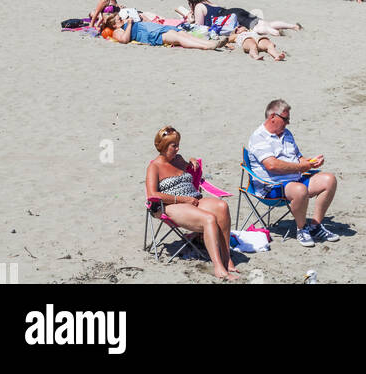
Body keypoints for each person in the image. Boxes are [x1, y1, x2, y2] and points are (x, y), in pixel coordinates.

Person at [145, 126, 238, 280]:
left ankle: (226, 258)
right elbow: (152, 194)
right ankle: (218, 268)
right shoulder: (154, 167)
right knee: (209, 219)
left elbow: (190, 169)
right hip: (171, 206)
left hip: (194, 198)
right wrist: (183, 200)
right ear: (163, 146)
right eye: (174, 145)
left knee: (222, 207)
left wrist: (192, 161)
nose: (177, 148)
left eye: (177, 144)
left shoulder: (178, 159)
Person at [247, 100, 339, 246]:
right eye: (285, 119)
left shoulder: (286, 134)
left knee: (329, 180)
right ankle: (302, 229)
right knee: (300, 190)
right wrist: (301, 167)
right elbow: (271, 165)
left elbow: (298, 157)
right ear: (272, 117)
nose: (288, 123)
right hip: (271, 186)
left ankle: (315, 226)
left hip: (296, 179)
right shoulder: (259, 137)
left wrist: (310, 162)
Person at [108, 17, 227, 49]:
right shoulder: (117, 31)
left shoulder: (122, 25)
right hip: (151, 35)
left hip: (155, 28)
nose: (122, 19)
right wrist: (129, 24)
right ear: (114, 25)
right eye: (119, 19)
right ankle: (205, 46)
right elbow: (124, 40)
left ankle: (208, 42)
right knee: (177, 38)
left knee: (182, 34)